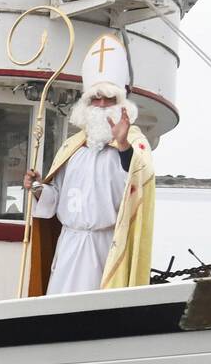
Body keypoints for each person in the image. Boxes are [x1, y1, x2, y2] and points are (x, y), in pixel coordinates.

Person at [23, 33, 157, 295]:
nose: (102, 105)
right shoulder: (72, 148)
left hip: (105, 247)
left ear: (123, 104)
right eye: (96, 99)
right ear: (86, 103)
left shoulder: (134, 145)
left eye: (110, 99)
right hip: (70, 243)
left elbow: (138, 184)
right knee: (57, 308)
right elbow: (57, 198)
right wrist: (38, 187)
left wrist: (123, 147)